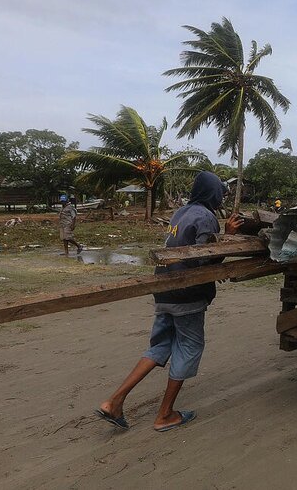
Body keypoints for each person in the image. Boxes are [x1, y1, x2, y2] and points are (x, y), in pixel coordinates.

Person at [97, 171, 243, 432]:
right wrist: (229, 238)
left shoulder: (181, 212)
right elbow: (202, 260)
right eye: (220, 192)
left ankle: (114, 401)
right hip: (187, 294)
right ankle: (165, 415)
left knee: (160, 346)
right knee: (189, 346)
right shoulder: (206, 217)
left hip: (164, 288)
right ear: (211, 192)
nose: (222, 196)